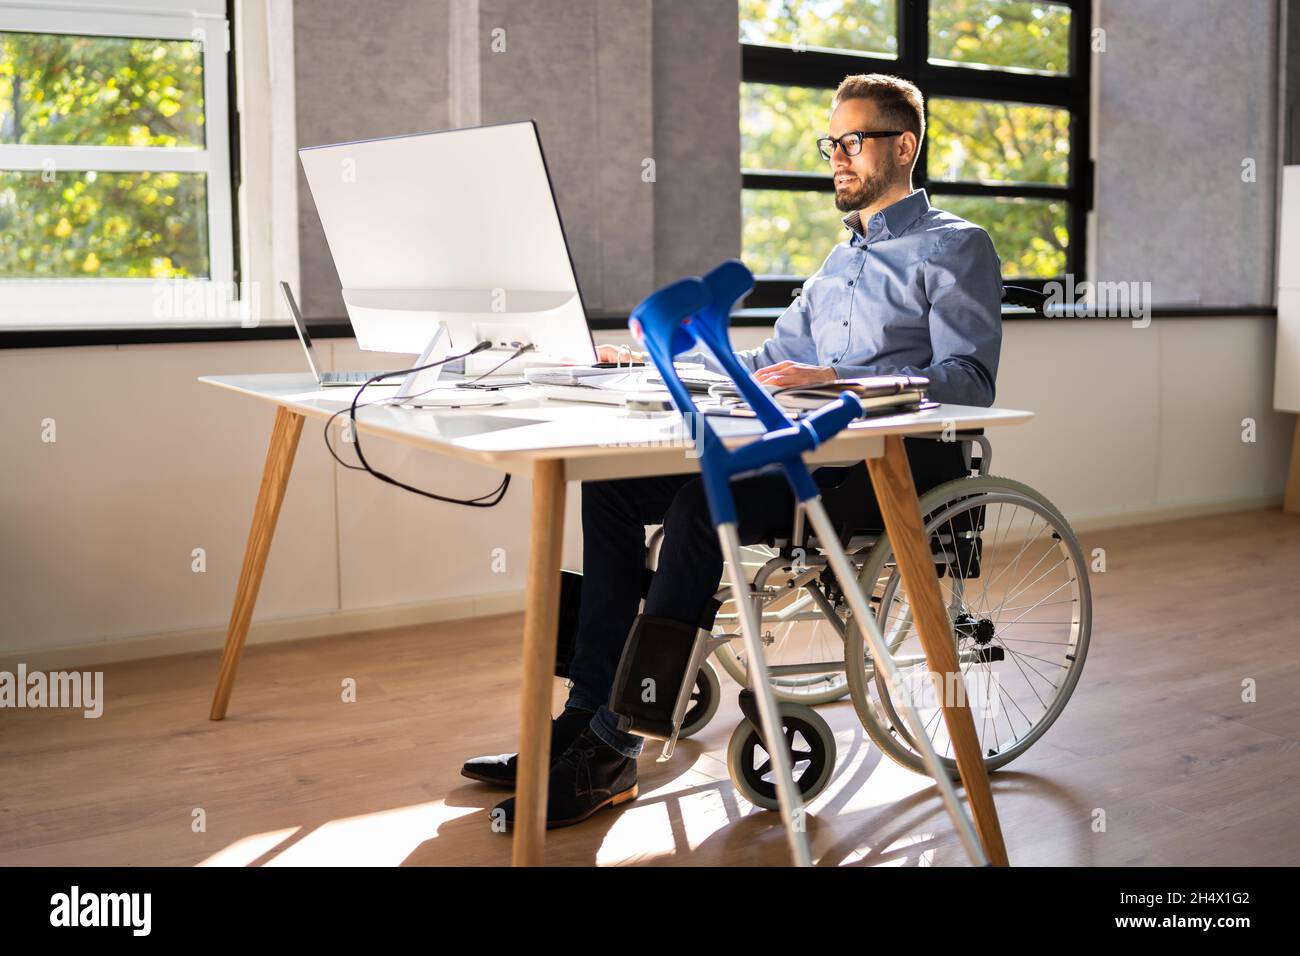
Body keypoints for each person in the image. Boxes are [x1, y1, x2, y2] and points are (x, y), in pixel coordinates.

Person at [462, 73, 1003, 830]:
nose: (837, 157)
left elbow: (970, 381)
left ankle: (615, 748)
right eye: (831, 143)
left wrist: (839, 378)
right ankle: (584, 715)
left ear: (904, 146)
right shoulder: (839, 263)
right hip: (790, 455)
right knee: (610, 488)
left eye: (853, 141)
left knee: (696, 504)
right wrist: (651, 362)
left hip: (869, 471)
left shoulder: (956, 246)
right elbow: (767, 362)